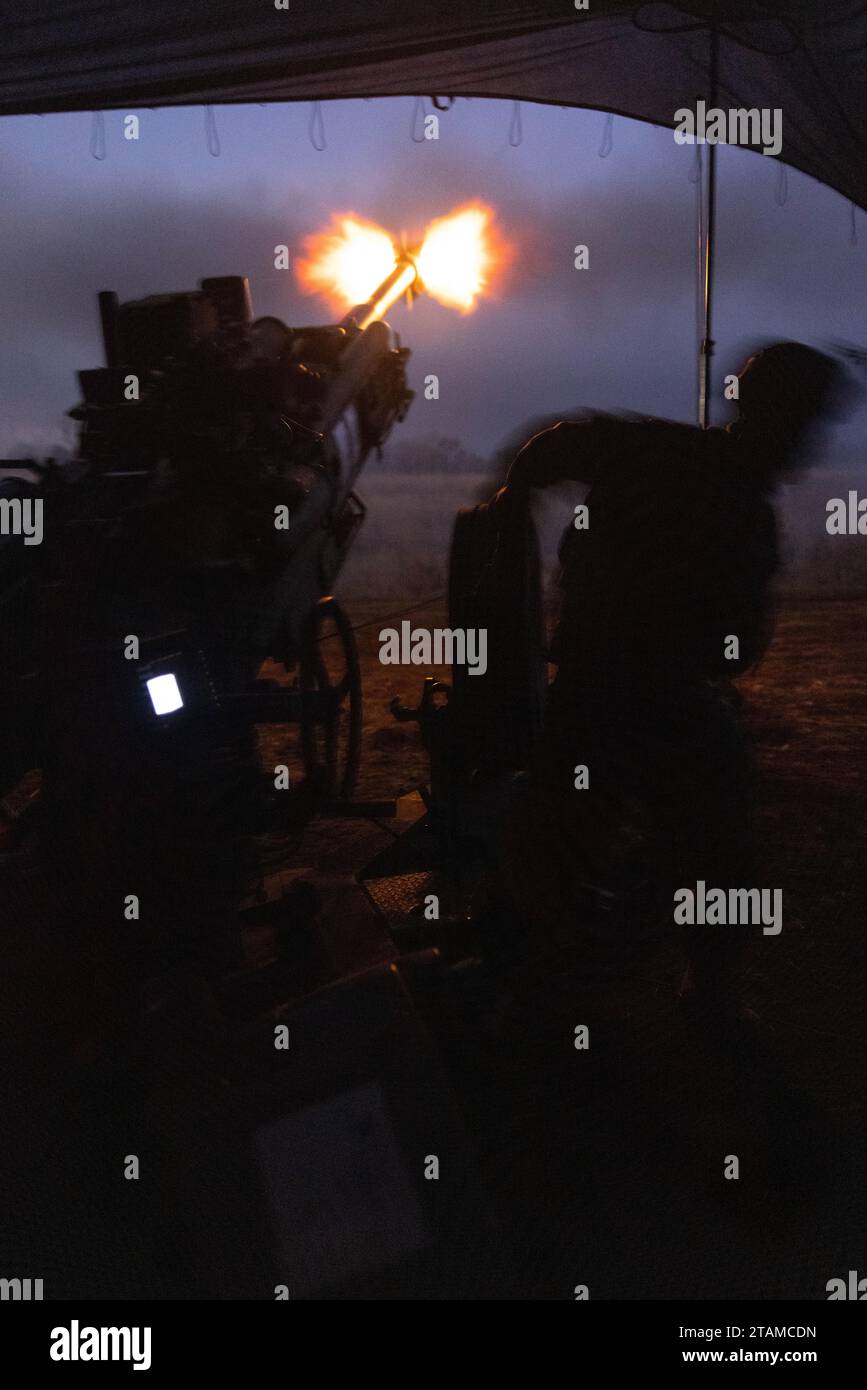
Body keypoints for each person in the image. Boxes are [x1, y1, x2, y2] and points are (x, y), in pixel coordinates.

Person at [494, 342, 853, 1019]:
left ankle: (524, 965)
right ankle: (708, 981)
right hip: (657, 702)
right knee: (720, 827)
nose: (807, 443)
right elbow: (736, 649)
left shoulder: (646, 451)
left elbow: (548, 449)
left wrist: (509, 517)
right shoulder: (744, 512)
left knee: (558, 823)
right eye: (803, 423)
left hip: (586, 690)